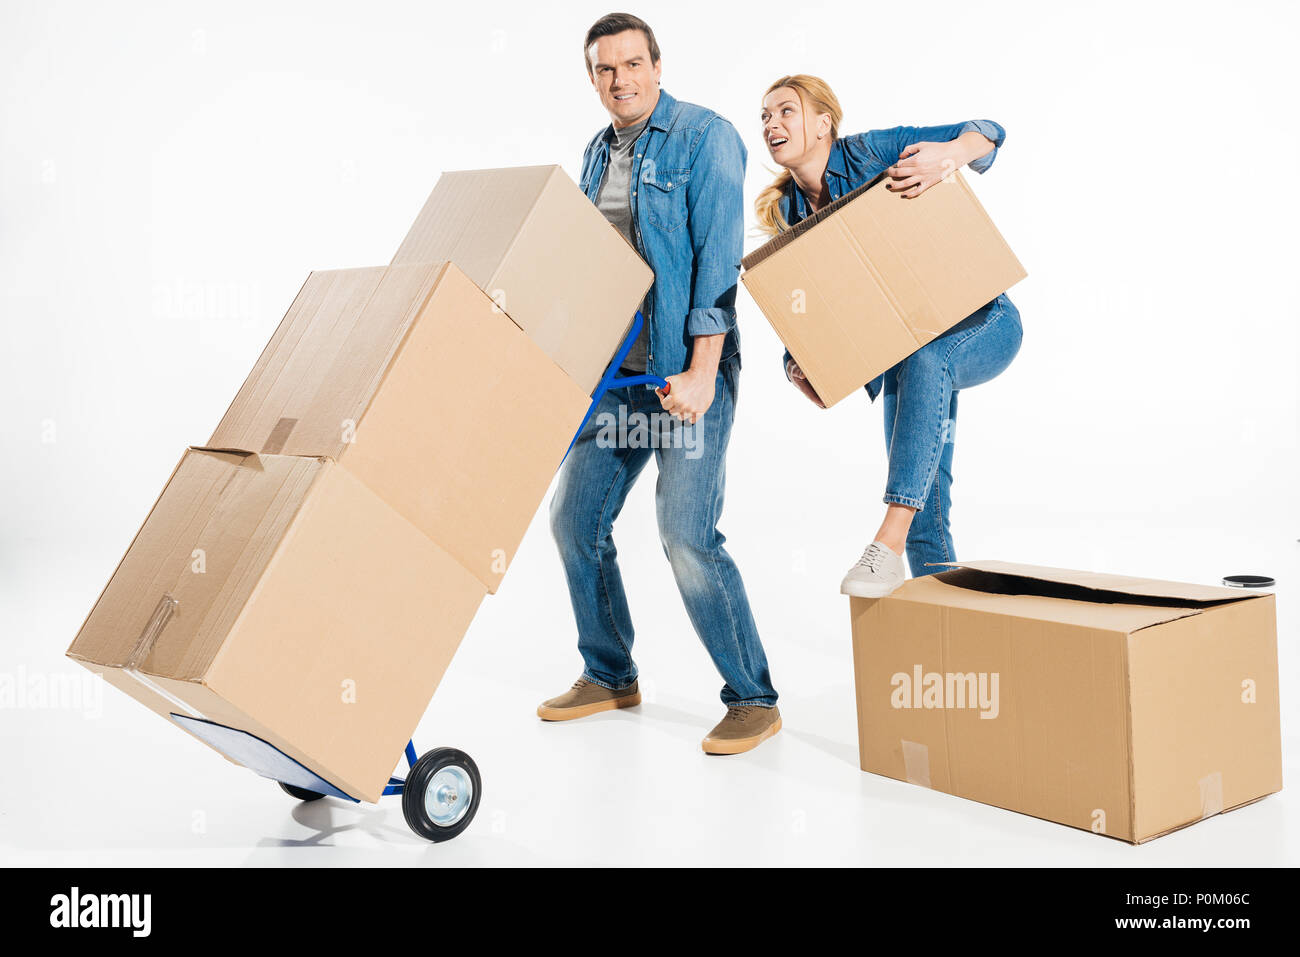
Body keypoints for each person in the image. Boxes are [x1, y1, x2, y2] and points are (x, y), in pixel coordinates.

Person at [540, 13, 780, 755]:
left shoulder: (706, 138)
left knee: (685, 533)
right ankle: (610, 672)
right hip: (619, 377)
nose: (621, 81)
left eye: (633, 64)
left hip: (686, 370)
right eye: (606, 70)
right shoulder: (593, 153)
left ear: (658, 64)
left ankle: (753, 697)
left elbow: (718, 263)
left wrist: (705, 371)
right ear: (592, 78)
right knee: (574, 522)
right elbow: (592, 267)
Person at [755, 74, 1023, 597]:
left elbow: (990, 131)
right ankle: (948, 631)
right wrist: (796, 363)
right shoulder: (788, 209)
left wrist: (950, 155)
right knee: (926, 498)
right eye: (765, 117)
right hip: (902, 358)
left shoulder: (869, 151)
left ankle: (886, 544)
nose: (772, 124)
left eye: (786, 111)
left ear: (823, 122)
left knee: (927, 358)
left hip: (984, 323)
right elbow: (805, 301)